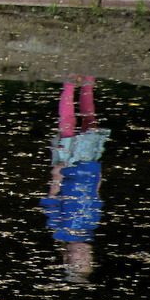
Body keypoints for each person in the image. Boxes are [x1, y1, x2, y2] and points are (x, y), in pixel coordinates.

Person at [43, 77, 108, 279]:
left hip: (68, 169)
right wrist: (98, 179)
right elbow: (94, 199)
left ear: (67, 256)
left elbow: (53, 200)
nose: (82, 254)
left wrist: (56, 175)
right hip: (89, 171)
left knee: (68, 129)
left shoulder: (59, 229)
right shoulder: (91, 227)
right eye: (86, 259)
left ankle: (69, 84)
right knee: (91, 124)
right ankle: (87, 84)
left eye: (77, 259)